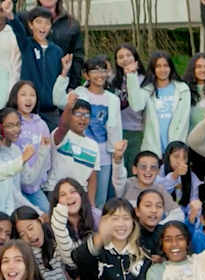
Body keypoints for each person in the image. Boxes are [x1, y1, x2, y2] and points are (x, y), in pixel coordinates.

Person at [56, 56, 122, 204]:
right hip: (81, 152)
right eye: (95, 71)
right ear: (86, 74)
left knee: (99, 199)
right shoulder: (79, 93)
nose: (100, 75)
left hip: (104, 154)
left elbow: (116, 128)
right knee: (77, 195)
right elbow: (58, 100)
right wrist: (64, 73)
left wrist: (117, 153)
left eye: (103, 70)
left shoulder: (113, 99)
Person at [7, 7, 66, 129]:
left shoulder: (57, 51)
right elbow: (18, 31)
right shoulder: (26, 44)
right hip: (29, 109)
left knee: (51, 144)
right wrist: (11, 15)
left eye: (47, 23)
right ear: (31, 25)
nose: (43, 27)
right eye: (39, 22)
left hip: (51, 110)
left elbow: (60, 80)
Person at [45, 91, 101, 199]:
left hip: (80, 195)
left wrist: (91, 203)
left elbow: (92, 178)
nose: (83, 118)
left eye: (86, 115)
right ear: (70, 115)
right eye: (78, 114)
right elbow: (63, 126)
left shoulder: (93, 145)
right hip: (56, 192)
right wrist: (69, 106)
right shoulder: (62, 135)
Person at [8, 80, 54, 210]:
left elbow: (47, 157)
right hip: (12, 183)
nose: (28, 99)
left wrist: (42, 180)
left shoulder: (41, 124)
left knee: (46, 213)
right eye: (23, 94)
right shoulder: (9, 121)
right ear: (15, 97)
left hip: (34, 186)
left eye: (32, 95)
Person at [32, 0, 84, 89]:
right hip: (34, 85)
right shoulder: (29, 22)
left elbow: (77, 58)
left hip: (63, 83)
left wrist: (74, 86)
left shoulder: (71, 24)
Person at [140, 51, 191, 158]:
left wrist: (177, 145)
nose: (162, 70)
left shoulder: (183, 89)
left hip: (176, 147)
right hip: (153, 147)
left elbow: (184, 120)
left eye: (165, 66)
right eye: (158, 66)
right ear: (153, 68)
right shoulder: (147, 90)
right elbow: (137, 106)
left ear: (171, 67)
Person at [110, 44, 148, 171]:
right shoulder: (113, 80)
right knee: (118, 170)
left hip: (135, 131)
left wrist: (131, 75)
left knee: (133, 168)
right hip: (115, 131)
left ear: (135, 58)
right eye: (120, 57)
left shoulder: (144, 80)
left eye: (128, 55)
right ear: (116, 61)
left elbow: (139, 105)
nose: (125, 59)